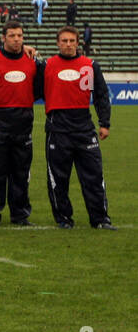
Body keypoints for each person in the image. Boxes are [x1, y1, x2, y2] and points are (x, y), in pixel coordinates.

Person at [38, 27, 114, 229]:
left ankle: (100, 219)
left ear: (78, 42)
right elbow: (36, 90)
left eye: (72, 40)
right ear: (57, 43)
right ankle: (63, 219)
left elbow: (101, 96)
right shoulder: (46, 65)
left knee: (94, 177)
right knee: (58, 179)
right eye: (64, 40)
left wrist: (104, 123)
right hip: (57, 129)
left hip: (84, 128)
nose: (68, 44)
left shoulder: (90, 65)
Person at [0, 20, 37, 226]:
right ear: (4, 38)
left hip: (23, 123)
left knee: (21, 172)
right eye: (12, 35)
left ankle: (19, 214)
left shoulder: (33, 60)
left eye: (20, 36)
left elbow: (38, 88)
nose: (17, 39)